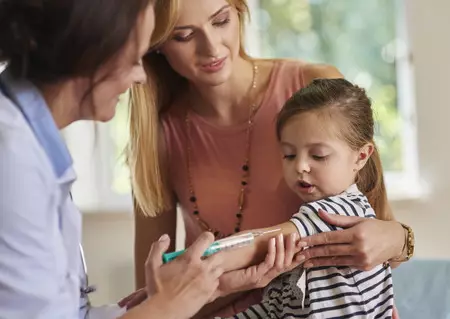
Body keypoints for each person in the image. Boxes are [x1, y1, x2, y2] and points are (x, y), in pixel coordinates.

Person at [127, 0, 414, 316]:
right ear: (154, 45)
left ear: (239, 12)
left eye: (220, 21)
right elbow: (153, 290)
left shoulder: (314, 92)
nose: (211, 47)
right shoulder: (158, 134)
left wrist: (400, 239)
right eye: (183, 36)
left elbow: (385, 242)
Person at [0, 0, 229, 318]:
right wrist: (168, 307)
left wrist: (153, 303)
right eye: (134, 59)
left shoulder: (30, 143)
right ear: (88, 51)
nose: (141, 78)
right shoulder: (12, 160)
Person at [212, 78, 397, 318]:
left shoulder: (337, 213)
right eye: (289, 155)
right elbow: (279, 308)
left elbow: (257, 245)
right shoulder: (311, 233)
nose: (300, 166)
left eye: (318, 156)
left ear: (361, 156)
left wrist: (198, 260)